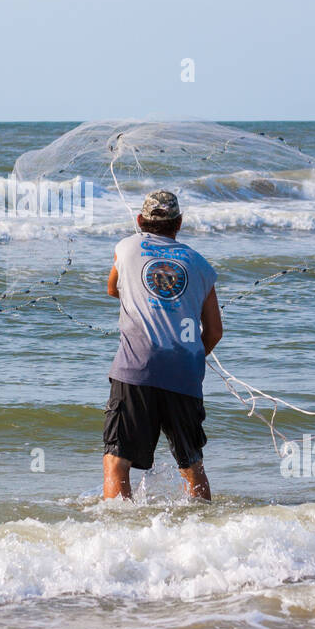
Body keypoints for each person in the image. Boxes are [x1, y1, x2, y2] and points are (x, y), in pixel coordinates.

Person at [103, 190, 222, 500]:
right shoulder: (198, 263)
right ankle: (204, 532)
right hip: (184, 373)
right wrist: (191, 360)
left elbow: (112, 288)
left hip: (135, 370)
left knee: (117, 460)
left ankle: (117, 534)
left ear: (140, 221)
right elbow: (214, 331)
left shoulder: (126, 248)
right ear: (179, 223)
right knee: (192, 464)